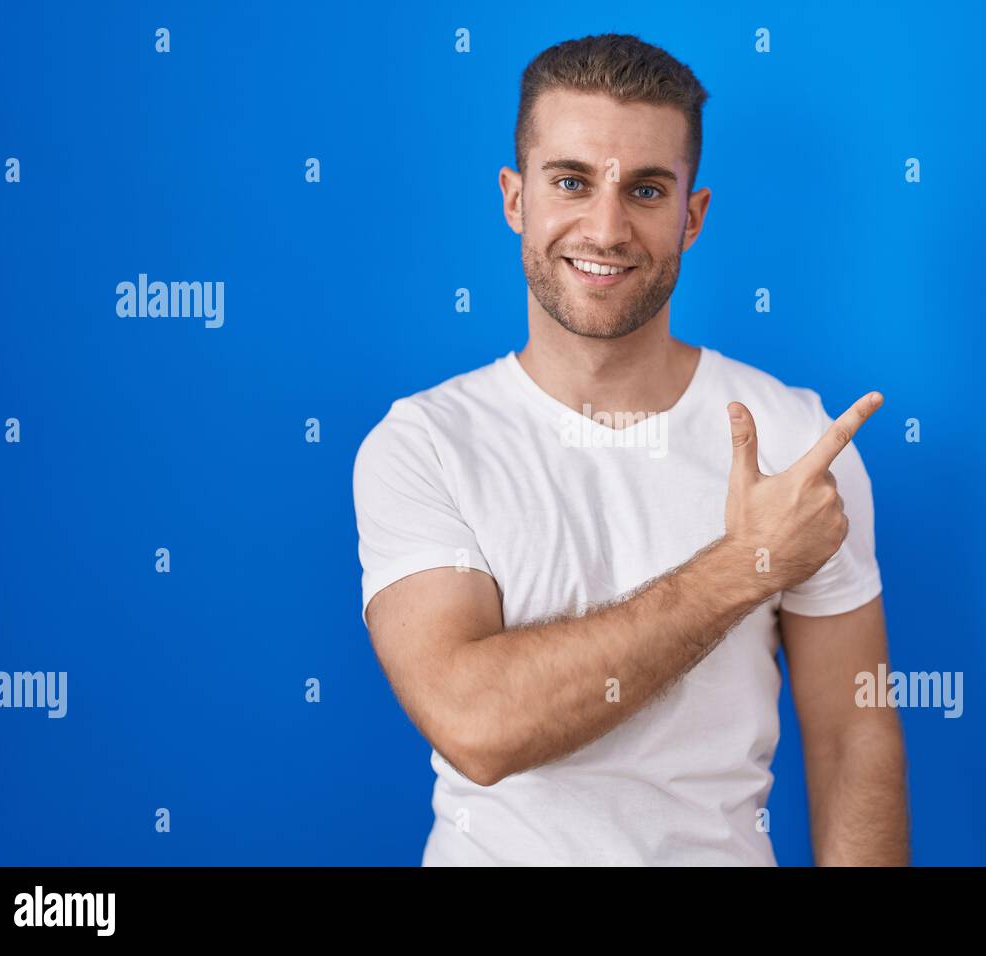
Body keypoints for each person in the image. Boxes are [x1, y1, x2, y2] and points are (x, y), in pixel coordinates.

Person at [352, 33, 909, 866]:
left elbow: (851, 739)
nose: (605, 228)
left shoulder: (797, 443)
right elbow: (478, 724)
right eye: (571, 181)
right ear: (515, 199)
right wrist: (745, 564)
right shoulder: (424, 444)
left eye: (646, 190)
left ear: (692, 215)